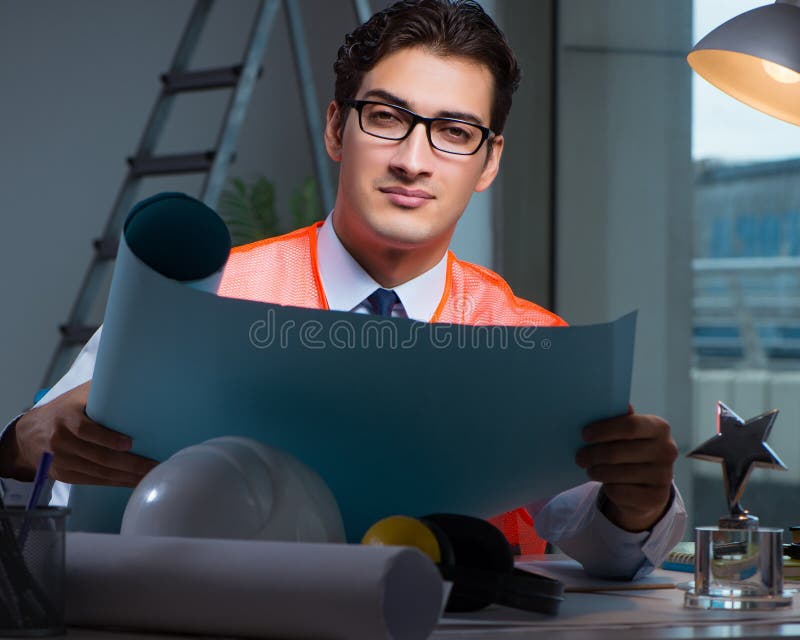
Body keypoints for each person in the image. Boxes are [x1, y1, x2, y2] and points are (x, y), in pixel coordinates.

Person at [0, 0, 684, 578]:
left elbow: (607, 549)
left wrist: (640, 500)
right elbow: (41, 491)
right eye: (387, 117)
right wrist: (22, 444)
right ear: (337, 128)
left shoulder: (531, 342)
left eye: (453, 132)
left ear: (488, 161)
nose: (413, 161)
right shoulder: (199, 299)